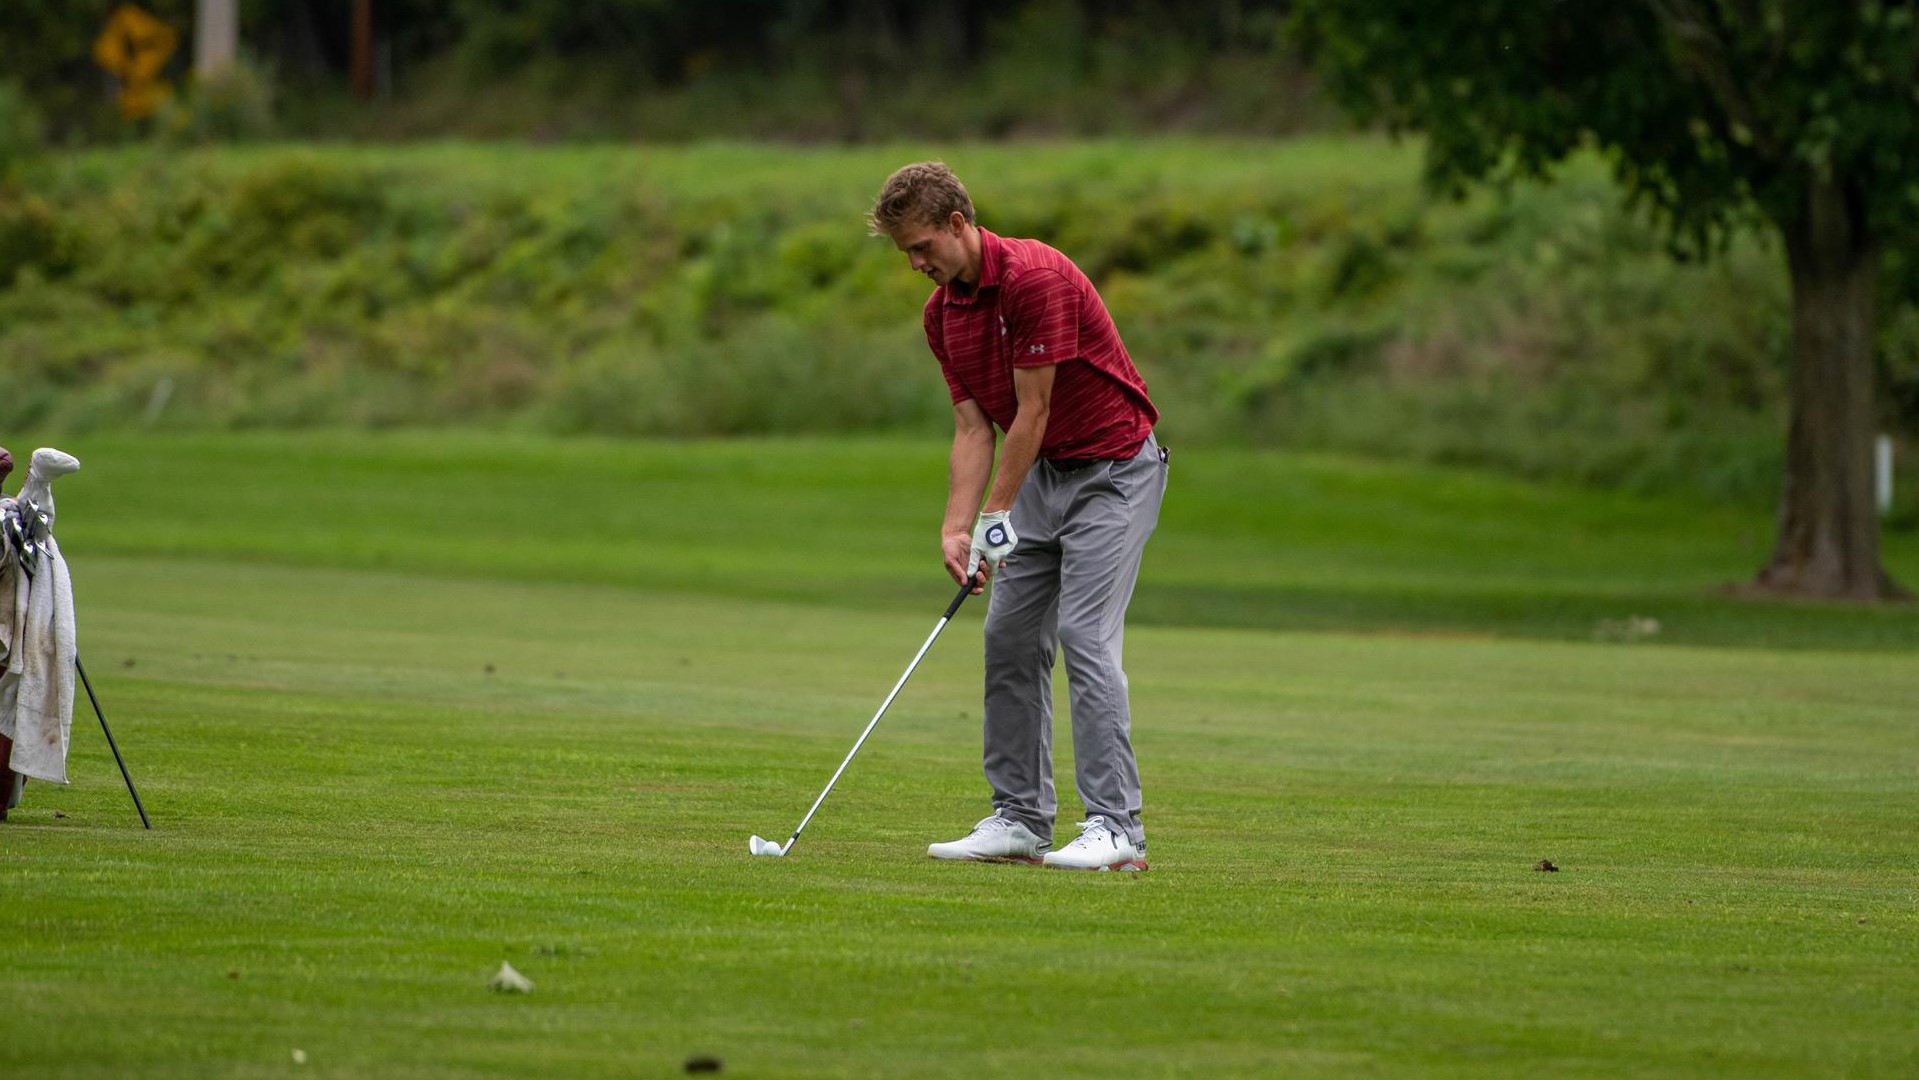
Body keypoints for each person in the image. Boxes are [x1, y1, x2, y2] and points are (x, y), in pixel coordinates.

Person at [868, 161, 1168, 872]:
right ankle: (1021, 819)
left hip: (1114, 471)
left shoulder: (1036, 278)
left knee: (1084, 635)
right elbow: (974, 429)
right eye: (905, 253)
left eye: (922, 248)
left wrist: (995, 513)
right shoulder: (942, 315)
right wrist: (956, 527)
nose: (915, 265)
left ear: (958, 224)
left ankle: (1116, 828)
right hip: (1040, 477)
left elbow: (1032, 412)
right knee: (1008, 638)